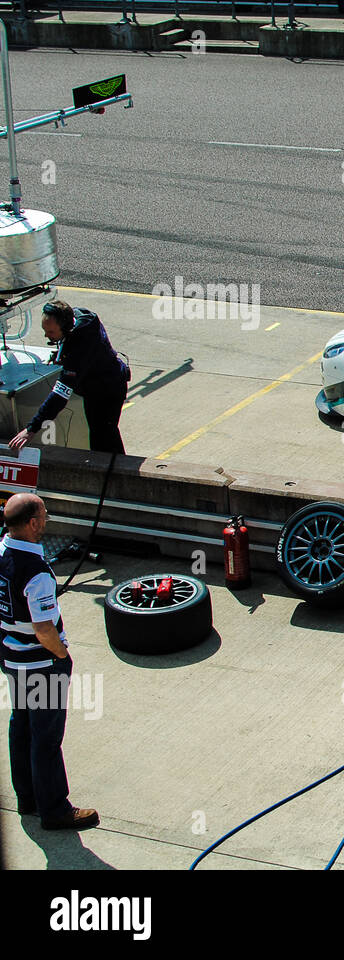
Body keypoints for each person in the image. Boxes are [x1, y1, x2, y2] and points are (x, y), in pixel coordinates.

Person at [0, 493, 98, 830]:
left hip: (12, 658)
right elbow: (43, 629)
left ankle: (27, 798)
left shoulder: (2, 551)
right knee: (46, 738)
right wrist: (61, 656)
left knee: (21, 726)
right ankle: (55, 810)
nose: (47, 520)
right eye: (44, 515)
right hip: (41, 665)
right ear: (32, 523)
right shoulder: (37, 572)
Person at [9, 301, 130, 455]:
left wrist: (32, 428)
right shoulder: (81, 315)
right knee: (102, 434)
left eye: (51, 332)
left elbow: (60, 395)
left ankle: (115, 472)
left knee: (103, 438)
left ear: (66, 328)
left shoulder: (79, 348)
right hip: (104, 381)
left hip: (106, 391)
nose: (46, 335)